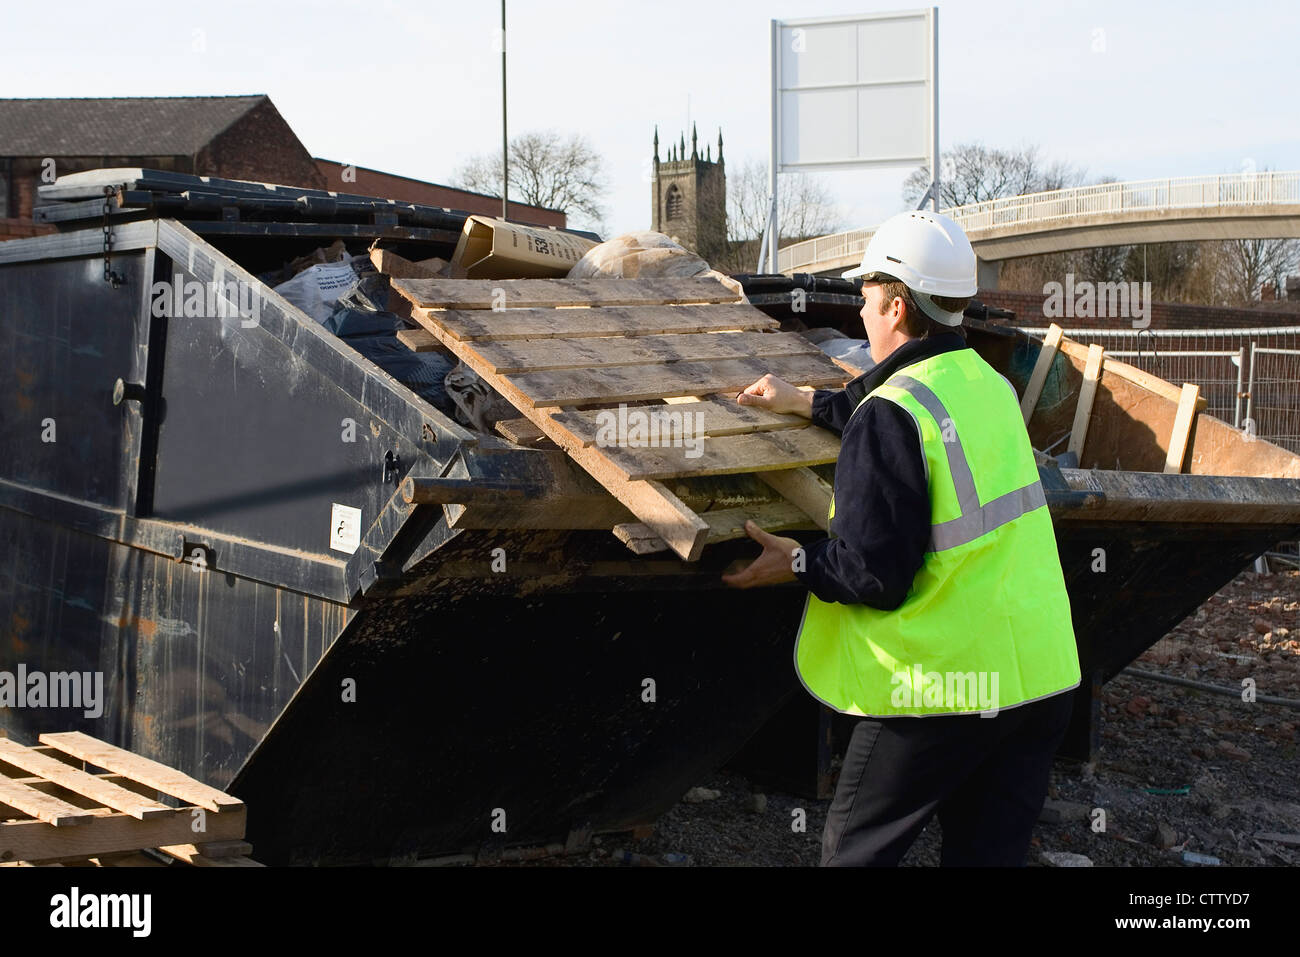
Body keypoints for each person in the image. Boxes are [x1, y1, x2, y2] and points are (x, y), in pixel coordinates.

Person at [722, 210, 1081, 866]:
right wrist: (806, 401)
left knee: (855, 853)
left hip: (944, 687)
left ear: (894, 305)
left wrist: (798, 560)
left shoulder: (893, 414)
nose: (860, 315)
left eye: (864, 299)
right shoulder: (990, 386)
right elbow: (905, 403)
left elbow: (874, 575)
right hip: (1040, 679)